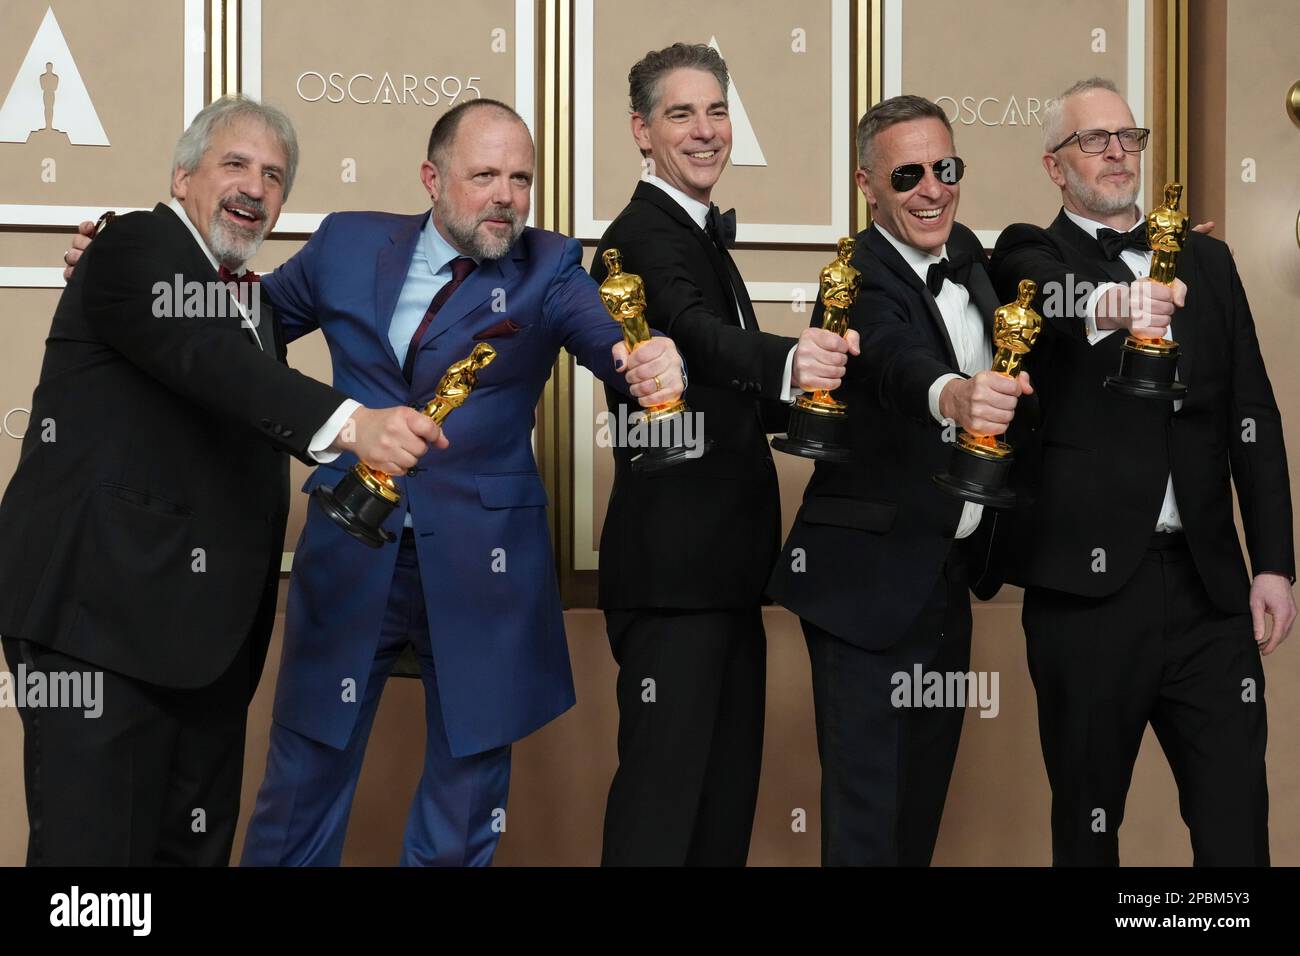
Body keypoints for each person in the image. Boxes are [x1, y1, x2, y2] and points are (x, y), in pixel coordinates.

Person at [1, 95, 436, 865]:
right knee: (93, 876)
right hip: (97, 626)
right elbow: (212, 364)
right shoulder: (131, 244)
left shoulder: (250, 305)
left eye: (274, 176)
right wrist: (353, 425)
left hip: (206, 652)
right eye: (235, 164)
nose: (255, 187)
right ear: (181, 174)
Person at [989, 76, 1295, 865]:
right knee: (1088, 830)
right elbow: (1051, 297)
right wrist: (1119, 301)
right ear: (1056, 166)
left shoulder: (1209, 262)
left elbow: (1252, 419)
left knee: (1236, 828)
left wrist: (1273, 564)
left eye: (1129, 137)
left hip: (1208, 590)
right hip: (1088, 600)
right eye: (1094, 140)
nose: (1117, 152)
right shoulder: (1028, 252)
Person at [590, 42, 860, 866]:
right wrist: (788, 361)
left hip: (725, 578)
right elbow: (688, 332)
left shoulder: (700, 235)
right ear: (641, 131)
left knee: (716, 824)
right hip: (673, 581)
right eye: (681, 113)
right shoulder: (640, 237)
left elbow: (719, 379)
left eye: (716, 111)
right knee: (660, 822)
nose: (706, 131)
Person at [766, 95, 1029, 865]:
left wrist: (1141, 254)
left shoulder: (973, 256)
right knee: (867, 821)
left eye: (944, 169)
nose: (931, 189)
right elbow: (884, 355)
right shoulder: (857, 276)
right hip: (866, 591)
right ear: (867, 186)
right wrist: (951, 393)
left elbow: (1047, 281)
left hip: (948, 578)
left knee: (917, 814)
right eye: (908, 173)